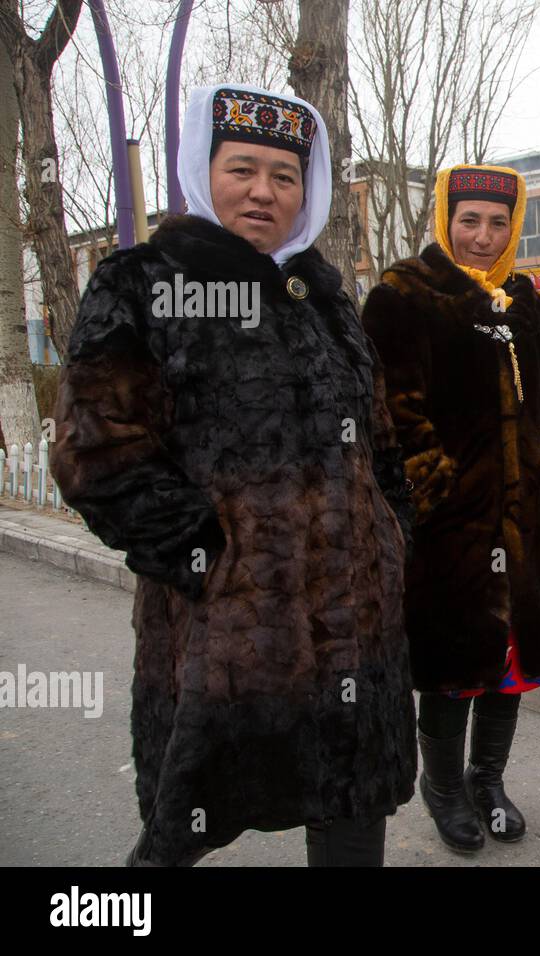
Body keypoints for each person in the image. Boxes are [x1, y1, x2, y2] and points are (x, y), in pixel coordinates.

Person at [49, 84, 417, 866]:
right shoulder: (145, 282)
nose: (263, 191)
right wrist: (203, 556)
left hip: (355, 631)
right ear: (202, 170)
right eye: (242, 168)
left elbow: (379, 442)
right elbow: (96, 450)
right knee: (184, 823)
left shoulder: (324, 298)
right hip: (228, 635)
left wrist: (392, 533)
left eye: (285, 176)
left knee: (352, 806)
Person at [361, 164, 540, 853]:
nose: (483, 237)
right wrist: (437, 493)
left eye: (497, 223)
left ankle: (489, 782)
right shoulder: (404, 297)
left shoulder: (524, 302)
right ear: (444, 220)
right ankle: (445, 788)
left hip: (525, 523)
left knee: (510, 661)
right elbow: (391, 412)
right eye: (469, 221)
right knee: (453, 664)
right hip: (449, 528)